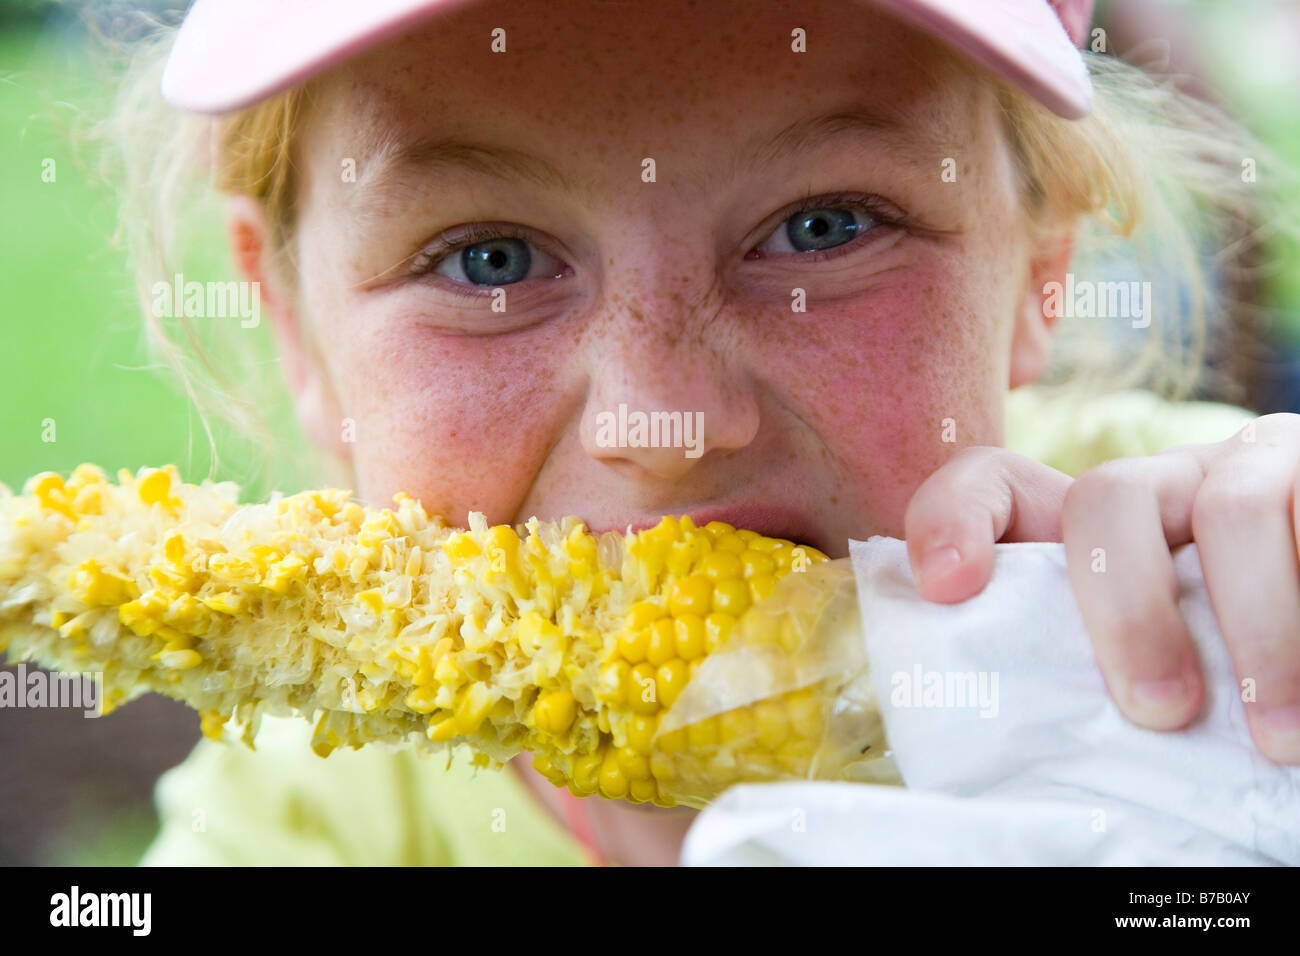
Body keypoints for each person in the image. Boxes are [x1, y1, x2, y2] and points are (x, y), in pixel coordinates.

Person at [111, 0, 1293, 866]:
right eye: (490, 261)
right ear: (297, 334)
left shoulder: (1195, 583)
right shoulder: (310, 816)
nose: (663, 423)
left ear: (1043, 271)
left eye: (823, 227)